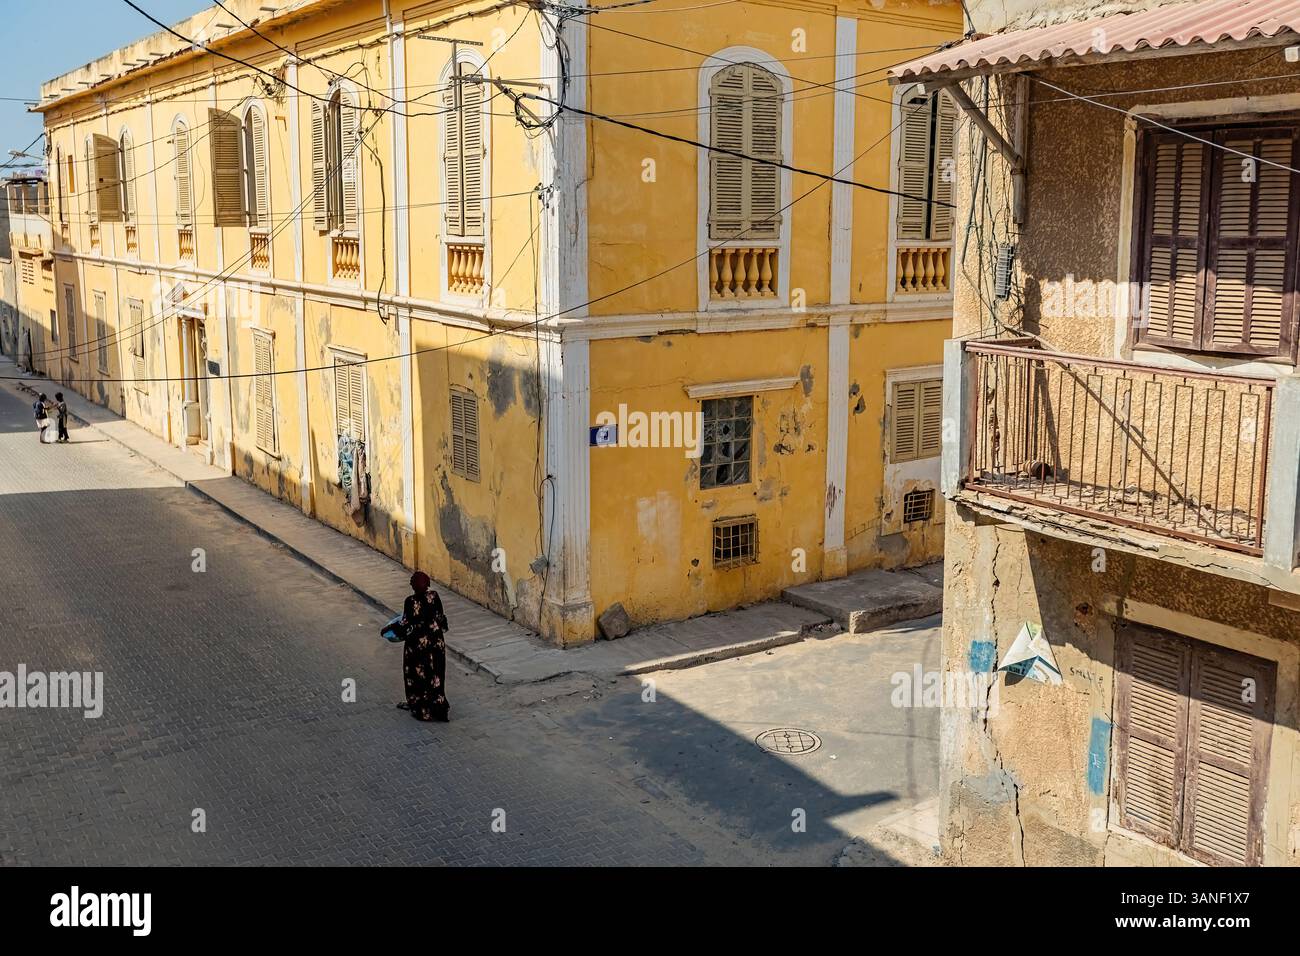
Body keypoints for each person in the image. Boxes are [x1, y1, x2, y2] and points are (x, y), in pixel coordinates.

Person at [396, 571, 450, 722]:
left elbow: (405, 624)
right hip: (436, 645)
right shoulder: (434, 596)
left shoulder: (410, 601)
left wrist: (388, 630)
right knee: (436, 675)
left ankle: (422, 709)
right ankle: (439, 708)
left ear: (414, 586)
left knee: (418, 676)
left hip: (418, 647)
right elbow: (440, 618)